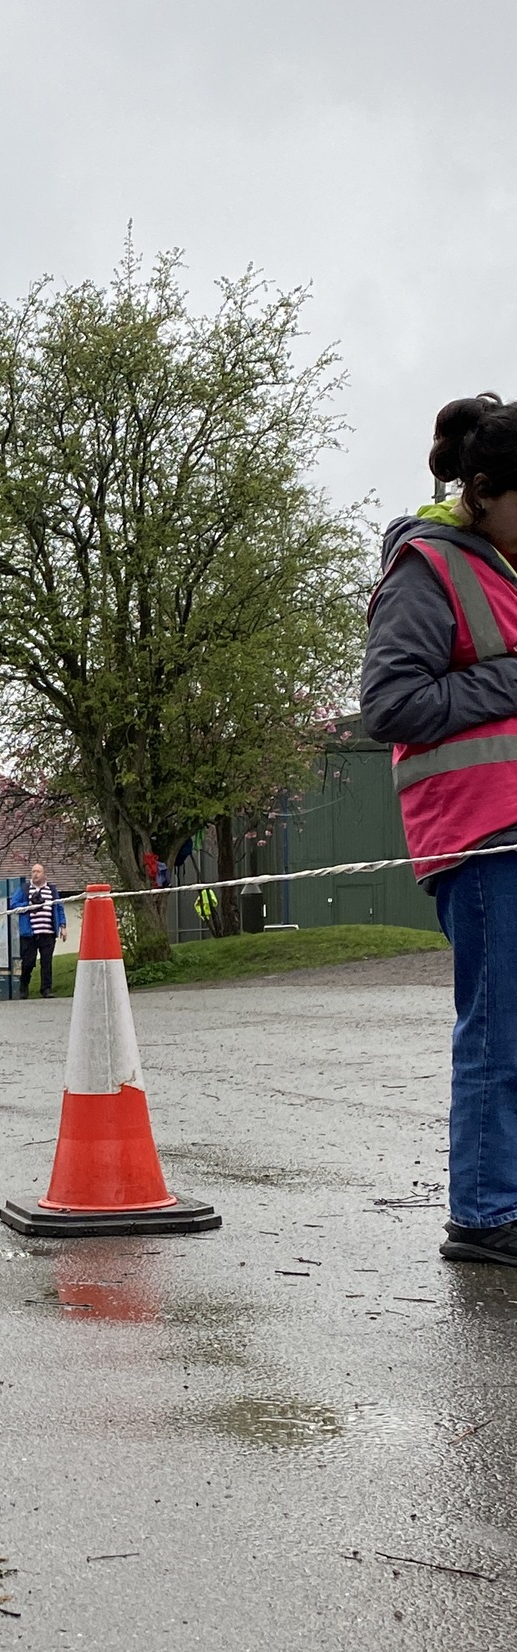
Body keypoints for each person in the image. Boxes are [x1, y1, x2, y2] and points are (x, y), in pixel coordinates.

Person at [360, 391, 517, 1266]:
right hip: (485, 834)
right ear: (485, 489)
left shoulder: (502, 566)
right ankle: (487, 1217)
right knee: (500, 1031)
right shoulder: (429, 567)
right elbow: (391, 705)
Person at [12, 862, 66, 996]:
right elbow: (13, 905)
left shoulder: (52, 890)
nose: (35, 874)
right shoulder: (24, 889)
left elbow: (59, 908)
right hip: (29, 934)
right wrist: (29, 904)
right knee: (28, 963)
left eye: (38, 871)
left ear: (44, 874)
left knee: (46, 962)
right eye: (33, 872)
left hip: (47, 932)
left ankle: (46, 989)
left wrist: (63, 926)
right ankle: (24, 986)